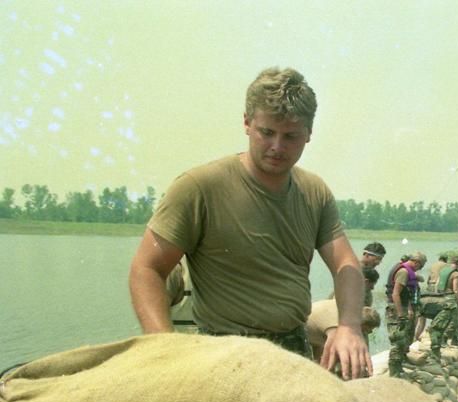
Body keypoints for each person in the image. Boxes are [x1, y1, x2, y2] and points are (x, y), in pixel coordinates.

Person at [128, 67, 370, 379]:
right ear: (246, 123)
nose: (277, 147)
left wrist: (349, 326)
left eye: (291, 136)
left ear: (309, 133)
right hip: (225, 353)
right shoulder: (199, 187)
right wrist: (163, 347)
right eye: (266, 132)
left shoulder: (314, 192)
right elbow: (146, 268)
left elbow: (346, 263)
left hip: (293, 351)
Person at [385, 251, 426, 377]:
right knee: (398, 340)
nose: (419, 269)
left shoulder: (408, 271)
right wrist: (401, 314)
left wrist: (409, 309)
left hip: (403, 307)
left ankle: (400, 364)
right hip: (396, 309)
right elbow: (395, 294)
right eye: (420, 266)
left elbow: (406, 293)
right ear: (416, 262)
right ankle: (394, 371)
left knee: (405, 338)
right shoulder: (403, 272)